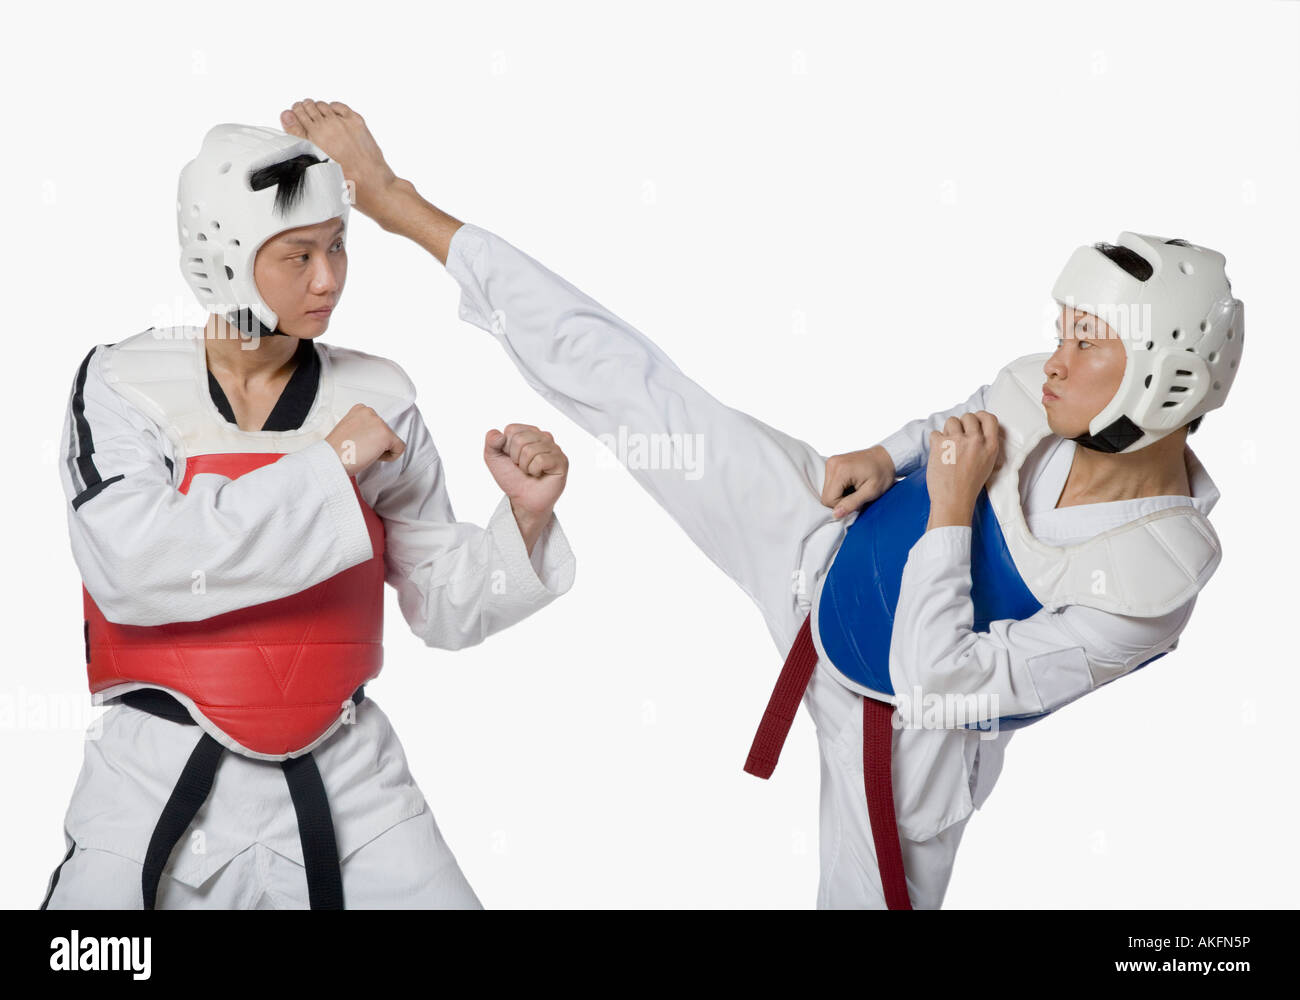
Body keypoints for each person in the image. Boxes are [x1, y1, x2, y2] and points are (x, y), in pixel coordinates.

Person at [277, 100, 1240, 908]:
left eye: (1088, 343)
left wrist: (948, 508)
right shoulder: (1044, 386)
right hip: (820, 547)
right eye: (1063, 332)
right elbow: (972, 414)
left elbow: (945, 685)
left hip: (901, 755)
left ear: (1159, 378)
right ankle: (407, 209)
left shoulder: (1149, 583)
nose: (1056, 359)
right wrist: (891, 451)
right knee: (642, 393)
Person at [42, 123, 577, 910]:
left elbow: (443, 606)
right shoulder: (123, 385)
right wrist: (333, 464)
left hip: (348, 772)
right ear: (222, 254)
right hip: (153, 772)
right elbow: (136, 565)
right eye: (299, 255)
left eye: (338, 246)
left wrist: (522, 523)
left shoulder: (381, 397)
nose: (329, 279)